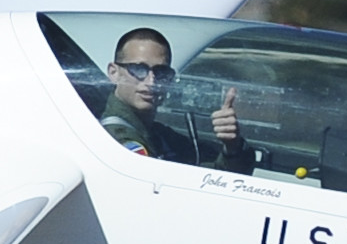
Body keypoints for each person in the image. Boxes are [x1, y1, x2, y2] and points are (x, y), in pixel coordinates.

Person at [98, 28, 246, 170]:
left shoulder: (161, 136)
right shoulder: (112, 139)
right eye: (138, 69)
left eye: (161, 72)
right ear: (114, 73)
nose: (151, 82)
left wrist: (232, 146)